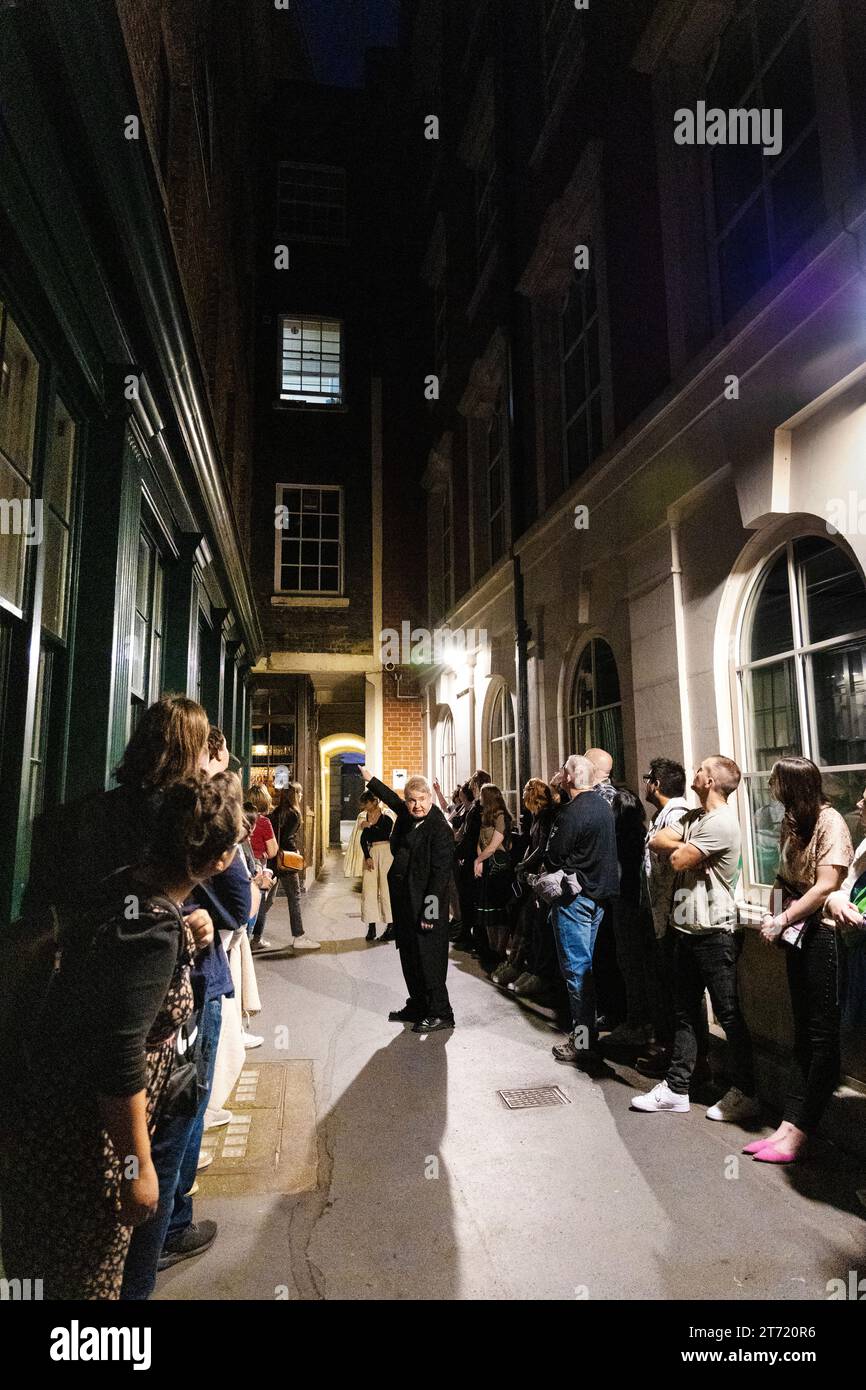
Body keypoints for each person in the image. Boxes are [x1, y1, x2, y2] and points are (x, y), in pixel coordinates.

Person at [0, 773, 241, 1300]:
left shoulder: (127, 888)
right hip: (90, 1145)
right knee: (85, 1285)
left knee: (42, 1277)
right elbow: (119, 1054)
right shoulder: (152, 929)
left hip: (48, 1114)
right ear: (220, 860)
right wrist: (137, 1166)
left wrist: (188, 920)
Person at [631, 755, 759, 1123]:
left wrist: (688, 849)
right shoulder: (696, 817)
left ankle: (745, 1092)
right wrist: (685, 846)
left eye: (703, 770)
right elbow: (658, 841)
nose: (696, 772)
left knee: (729, 1014)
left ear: (713, 781)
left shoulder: (719, 822)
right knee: (684, 1011)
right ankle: (677, 1088)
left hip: (715, 932)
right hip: (687, 929)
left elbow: (677, 860)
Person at [746, 758, 854, 1163]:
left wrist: (782, 919)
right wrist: (773, 917)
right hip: (795, 932)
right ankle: (788, 1124)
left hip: (822, 934)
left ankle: (801, 1131)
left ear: (792, 785)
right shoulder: (793, 820)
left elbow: (827, 884)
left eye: (775, 781)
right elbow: (782, 876)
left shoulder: (831, 822)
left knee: (822, 1035)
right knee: (803, 1034)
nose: (771, 787)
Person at [360, 765, 455, 1031]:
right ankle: (417, 1005)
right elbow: (392, 798)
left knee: (430, 960)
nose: (416, 806)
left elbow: (440, 878)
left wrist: (430, 913)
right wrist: (370, 780)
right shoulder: (406, 813)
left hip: (426, 907)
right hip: (405, 903)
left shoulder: (440, 830)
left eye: (422, 800)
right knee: (410, 958)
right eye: (412, 800)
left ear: (431, 799)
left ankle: (441, 1012)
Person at [544, 754, 619, 1069]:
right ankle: (588, 1035)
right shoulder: (603, 806)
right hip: (598, 897)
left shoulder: (570, 813)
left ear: (571, 778)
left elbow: (554, 855)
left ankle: (585, 1043)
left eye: (562, 772)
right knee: (585, 968)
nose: (560, 776)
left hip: (575, 900)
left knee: (577, 972)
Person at [637, 757, 702, 1079]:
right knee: (664, 988)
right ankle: (669, 1048)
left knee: (672, 991)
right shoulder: (665, 814)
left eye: (648, 778)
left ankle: (677, 1054)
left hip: (669, 916)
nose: (645, 783)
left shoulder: (676, 815)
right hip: (661, 914)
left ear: (657, 784)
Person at [603, 786, 655, 1048]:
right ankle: (640, 1021)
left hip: (626, 905)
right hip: (642, 907)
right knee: (640, 967)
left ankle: (636, 1023)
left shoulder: (619, 840)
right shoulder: (643, 834)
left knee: (630, 964)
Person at [499, 778, 558, 997]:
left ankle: (529, 969)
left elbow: (541, 848)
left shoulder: (545, 816)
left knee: (533, 924)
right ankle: (516, 963)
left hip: (540, 876)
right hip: (532, 874)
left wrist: (524, 864)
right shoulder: (537, 817)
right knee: (525, 922)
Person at [274, 782, 320, 951]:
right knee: (295, 897)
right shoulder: (294, 814)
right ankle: (299, 936)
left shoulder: (277, 812)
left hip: (274, 859)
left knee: (268, 899)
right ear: (295, 795)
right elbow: (288, 838)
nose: (301, 797)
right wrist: (297, 852)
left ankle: (254, 934)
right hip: (287, 861)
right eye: (299, 794)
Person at [473, 783, 514, 966]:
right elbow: (480, 842)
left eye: (482, 796)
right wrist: (480, 859)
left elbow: (495, 845)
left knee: (499, 910)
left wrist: (479, 860)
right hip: (488, 863)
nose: (479, 799)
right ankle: (492, 949)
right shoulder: (485, 817)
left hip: (499, 865)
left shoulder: (501, 817)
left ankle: (499, 950)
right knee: (488, 910)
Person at [453, 769, 491, 954]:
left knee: (472, 900)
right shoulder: (477, 809)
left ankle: (475, 939)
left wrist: (457, 853)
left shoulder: (479, 810)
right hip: (473, 858)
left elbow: (470, 837)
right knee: (469, 899)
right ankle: (468, 934)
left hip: (474, 859)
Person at [359, 790, 395, 941]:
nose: (364, 806)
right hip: (372, 851)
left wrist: (369, 826)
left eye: (366, 803)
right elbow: (363, 839)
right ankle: (371, 925)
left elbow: (385, 832)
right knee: (369, 889)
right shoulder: (365, 817)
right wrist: (367, 856)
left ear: (374, 802)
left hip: (386, 852)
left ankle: (391, 925)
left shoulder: (386, 815)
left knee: (386, 888)